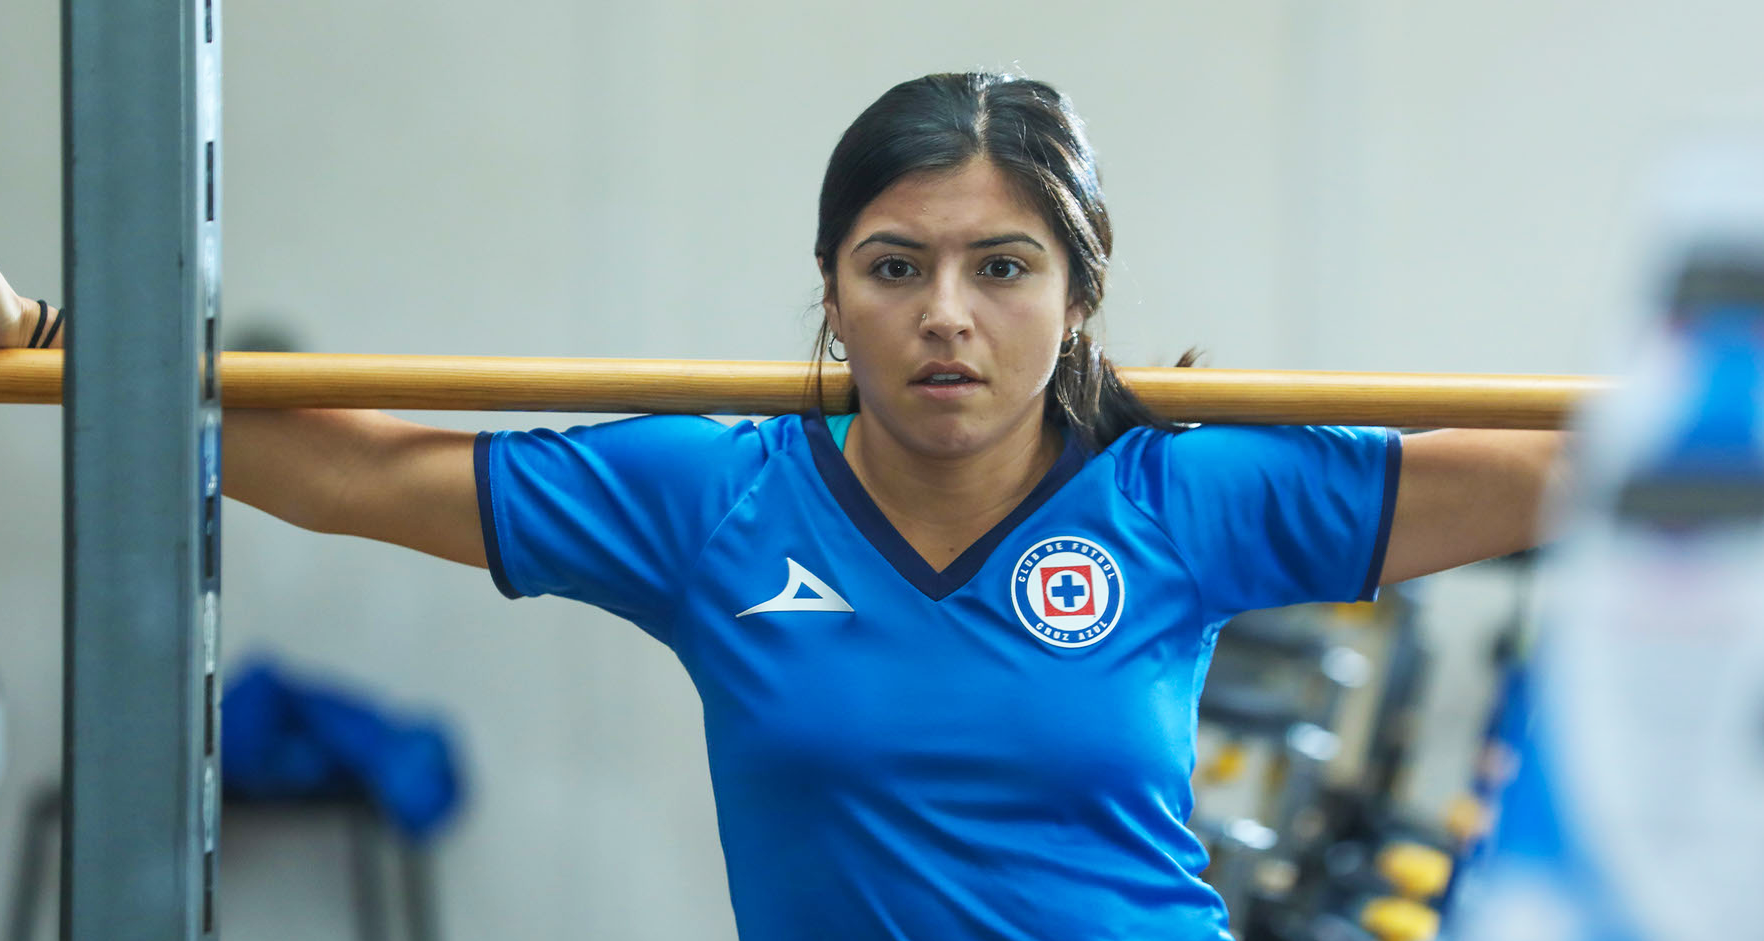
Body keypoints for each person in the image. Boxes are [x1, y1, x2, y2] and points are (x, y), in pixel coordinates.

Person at [1, 72, 1563, 940]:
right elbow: (357, 469)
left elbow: (1574, 480)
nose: (946, 314)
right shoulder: (711, 497)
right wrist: (55, 346)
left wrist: (1695, 400)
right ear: (832, 294)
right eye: (895, 266)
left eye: (1003, 268)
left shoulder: (1191, 497)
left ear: (1078, 300)